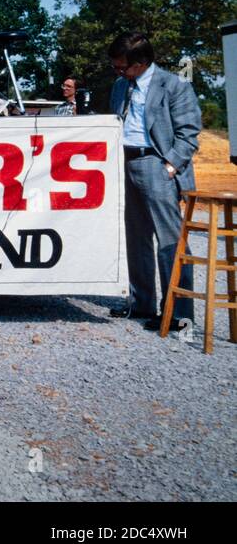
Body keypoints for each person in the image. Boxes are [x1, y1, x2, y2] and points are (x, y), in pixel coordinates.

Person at [107, 32, 202, 331]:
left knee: (170, 241)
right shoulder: (120, 86)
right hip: (126, 162)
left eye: (124, 68)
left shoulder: (174, 85)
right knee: (136, 239)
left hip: (157, 164)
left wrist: (170, 166)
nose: (120, 73)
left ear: (143, 62)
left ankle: (178, 311)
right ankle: (141, 302)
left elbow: (189, 131)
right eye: (117, 68)